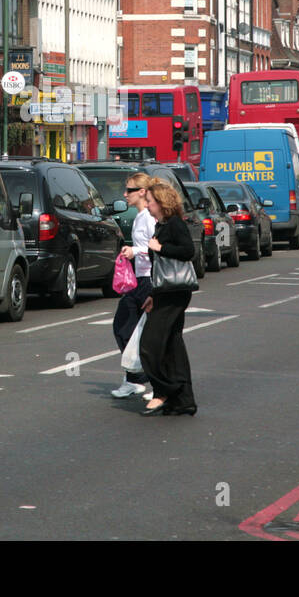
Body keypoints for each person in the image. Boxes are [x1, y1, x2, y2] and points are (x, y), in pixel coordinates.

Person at [139, 179, 197, 416]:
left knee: (149, 346)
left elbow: (188, 251)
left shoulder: (174, 224)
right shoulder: (161, 225)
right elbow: (159, 269)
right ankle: (183, 401)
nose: (148, 206)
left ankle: (163, 391)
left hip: (175, 293)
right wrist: (152, 295)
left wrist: (160, 248)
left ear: (162, 203)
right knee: (173, 347)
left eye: (151, 202)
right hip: (164, 292)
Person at [111, 172, 155, 400]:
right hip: (137, 279)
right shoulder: (139, 217)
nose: (124, 194)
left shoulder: (149, 217)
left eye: (129, 190)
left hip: (148, 280)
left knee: (148, 334)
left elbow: (159, 247)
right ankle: (135, 380)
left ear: (142, 192)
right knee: (122, 327)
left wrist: (135, 250)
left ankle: (154, 382)